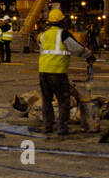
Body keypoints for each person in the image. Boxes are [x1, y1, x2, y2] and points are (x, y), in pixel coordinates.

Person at [37, 7, 93, 136]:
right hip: (57, 72)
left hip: (43, 72)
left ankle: (47, 126)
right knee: (63, 100)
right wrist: (89, 55)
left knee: (46, 100)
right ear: (61, 21)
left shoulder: (43, 35)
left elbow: (43, 51)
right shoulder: (63, 34)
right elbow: (77, 49)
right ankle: (62, 127)